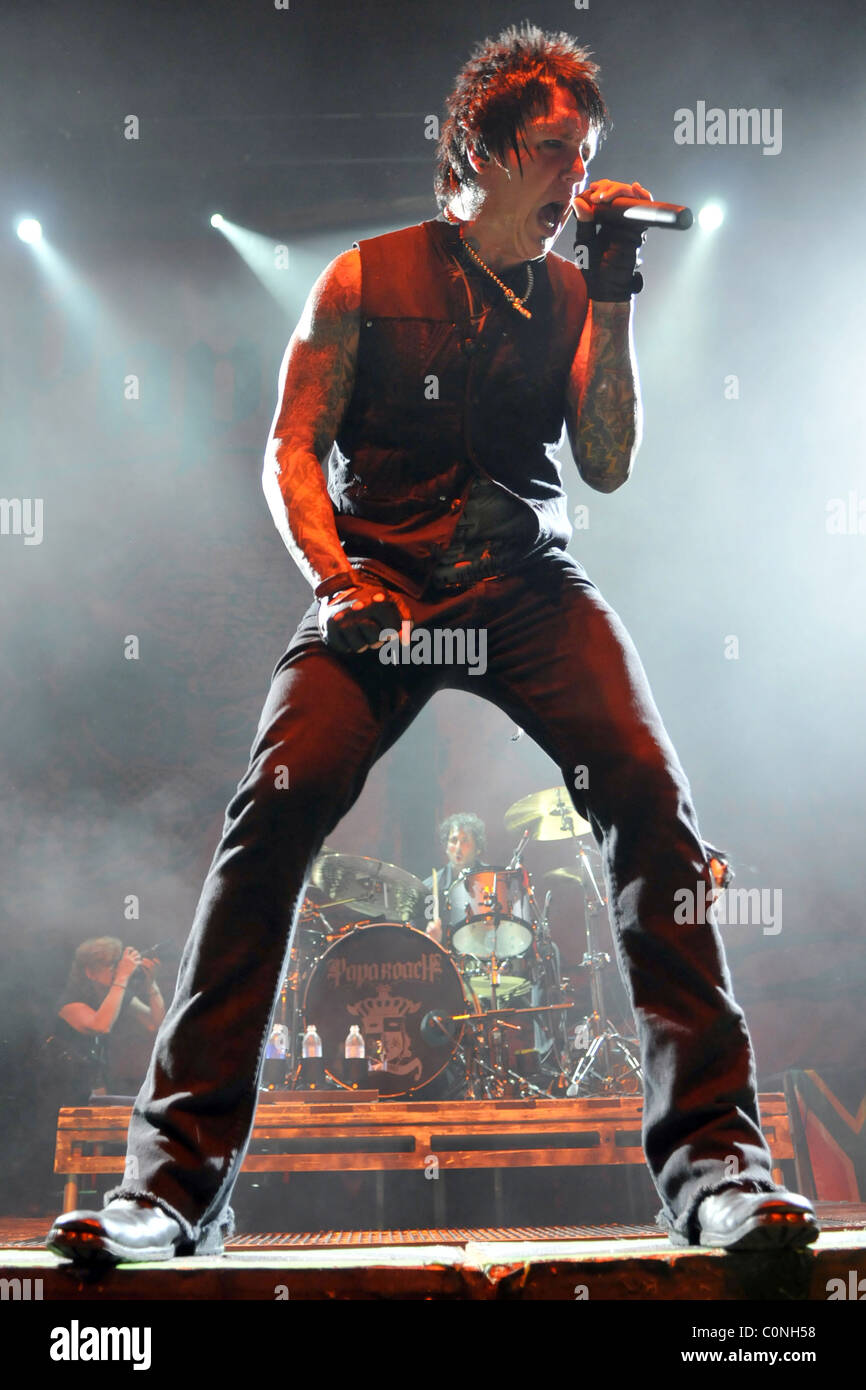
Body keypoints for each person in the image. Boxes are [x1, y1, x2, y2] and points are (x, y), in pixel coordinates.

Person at [48, 24, 817, 1262]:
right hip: (382, 587)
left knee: (651, 803)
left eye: (588, 150)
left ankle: (716, 1170)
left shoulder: (572, 285)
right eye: (555, 149)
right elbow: (288, 449)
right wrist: (336, 578)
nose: (576, 175)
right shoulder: (361, 278)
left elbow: (608, 465)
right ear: (480, 147)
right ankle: (175, 1188)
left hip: (525, 581)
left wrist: (615, 289)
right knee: (269, 822)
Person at [49, 938, 164, 1099]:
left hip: (94, 1079)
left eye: (119, 965)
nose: (118, 970)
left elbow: (156, 1023)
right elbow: (100, 1025)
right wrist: (122, 977)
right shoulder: (70, 1001)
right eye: (112, 966)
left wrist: (151, 984)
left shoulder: (116, 995)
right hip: (59, 1081)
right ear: (90, 973)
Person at [420, 811, 487, 946]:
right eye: (453, 840)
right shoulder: (430, 888)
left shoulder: (493, 880)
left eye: (465, 841)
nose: (458, 848)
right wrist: (432, 938)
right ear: (446, 847)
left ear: (478, 848)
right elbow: (418, 937)